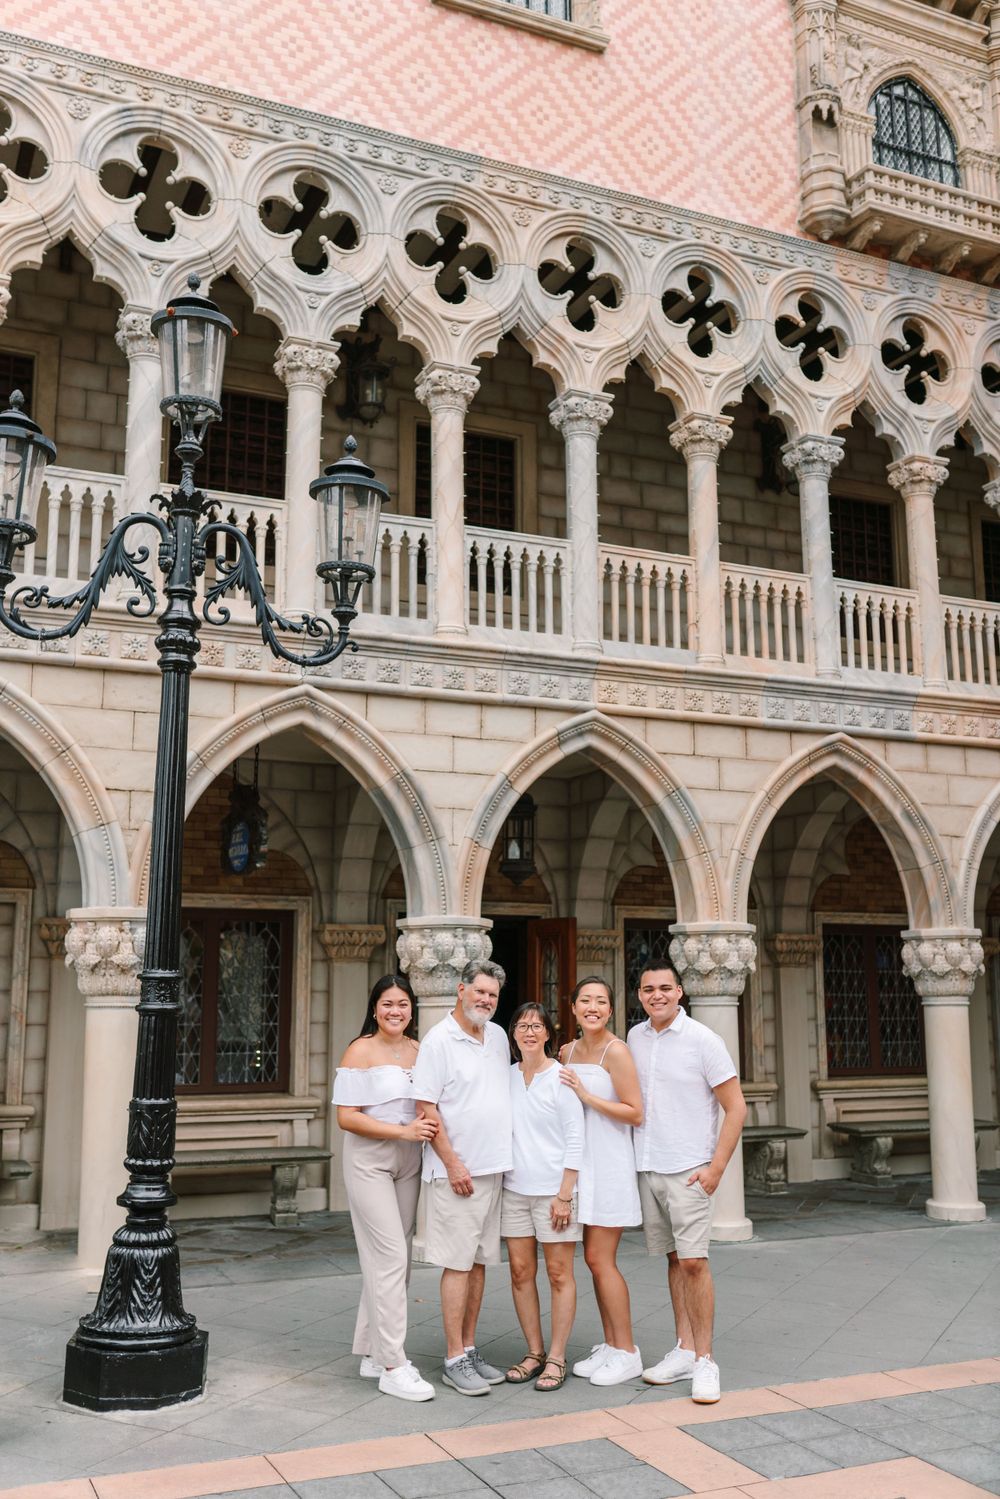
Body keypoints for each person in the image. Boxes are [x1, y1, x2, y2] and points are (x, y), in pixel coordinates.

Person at [627, 964, 747, 1405]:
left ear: (679, 991)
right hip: (649, 1167)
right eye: (648, 989)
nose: (656, 995)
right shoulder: (635, 1039)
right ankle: (684, 1348)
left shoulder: (704, 1040)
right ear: (639, 995)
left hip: (690, 1170)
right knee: (674, 1259)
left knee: (695, 1263)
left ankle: (706, 1362)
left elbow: (736, 1108)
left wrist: (716, 1169)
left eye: (664, 988)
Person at [333, 974, 438, 1403]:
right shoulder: (361, 1050)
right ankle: (394, 1365)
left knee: (393, 1260)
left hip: (410, 1160)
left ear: (412, 1009)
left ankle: (374, 1352)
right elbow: (347, 1116)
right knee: (392, 1255)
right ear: (375, 1008)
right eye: (388, 1004)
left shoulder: (421, 1051)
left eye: (403, 1004)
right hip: (369, 1159)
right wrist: (400, 1132)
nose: (396, 1011)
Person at [412, 958, 512, 1396]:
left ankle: (469, 1349)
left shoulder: (498, 1036)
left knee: (477, 1263)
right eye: (480, 992)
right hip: (458, 1174)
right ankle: (453, 1357)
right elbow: (426, 1109)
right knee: (456, 1264)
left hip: (493, 1171)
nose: (486, 1000)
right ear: (460, 989)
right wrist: (453, 1163)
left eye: (492, 995)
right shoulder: (438, 1041)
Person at [558, 975, 644, 1387]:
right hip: (578, 1166)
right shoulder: (566, 1051)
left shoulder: (617, 1051)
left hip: (609, 1163)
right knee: (592, 1259)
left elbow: (635, 1112)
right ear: (572, 1007)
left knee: (600, 1259)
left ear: (610, 1010)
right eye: (585, 1000)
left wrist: (587, 1096)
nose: (593, 1007)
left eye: (601, 1001)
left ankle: (627, 1350)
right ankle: (610, 1344)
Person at [502, 1002, 585, 1393]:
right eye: (522, 1026)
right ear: (513, 1034)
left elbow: (575, 1137)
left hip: (555, 1193)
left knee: (557, 1274)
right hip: (513, 1191)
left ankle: (556, 1356)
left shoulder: (561, 1078)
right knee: (520, 1273)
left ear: (549, 1034)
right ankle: (533, 1353)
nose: (529, 1032)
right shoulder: (505, 1077)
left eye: (537, 1026)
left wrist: (565, 1194)